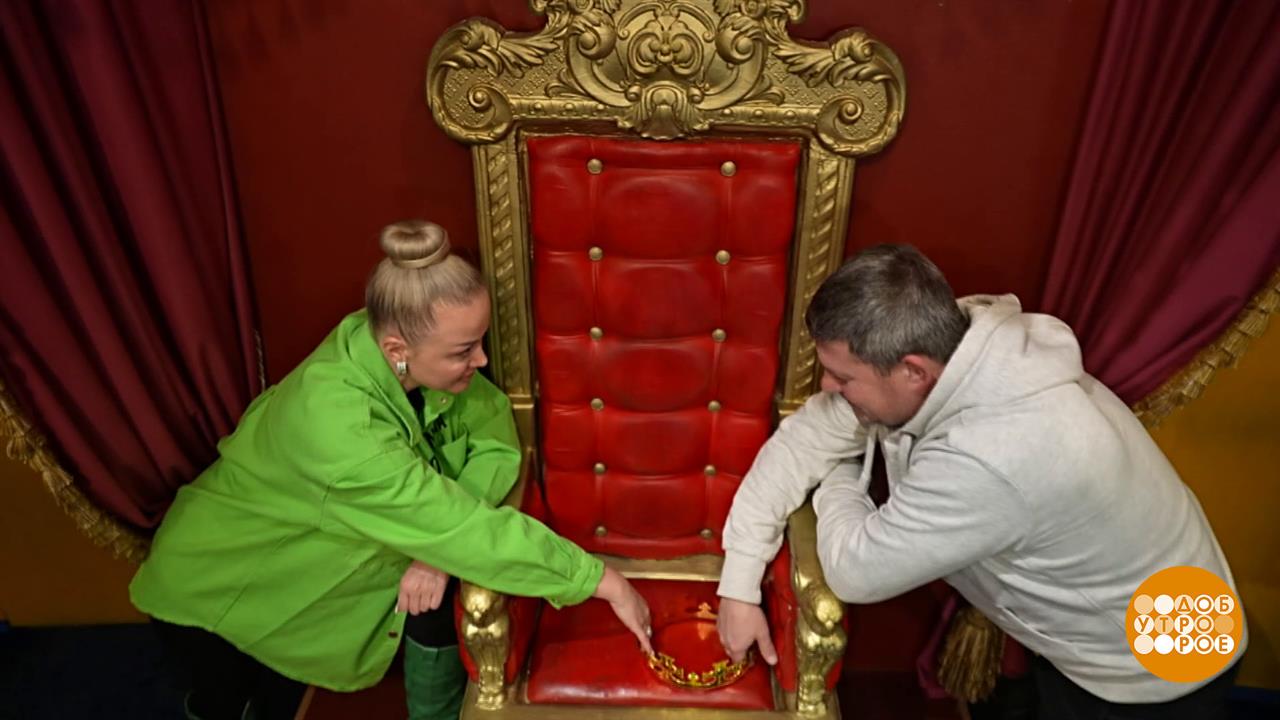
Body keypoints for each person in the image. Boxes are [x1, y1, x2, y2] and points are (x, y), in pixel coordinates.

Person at [131, 220, 653, 720]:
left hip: (313, 566)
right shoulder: (338, 428)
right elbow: (464, 529)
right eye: (463, 351)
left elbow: (495, 445)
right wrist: (601, 580)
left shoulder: (396, 348)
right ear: (397, 350)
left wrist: (437, 549)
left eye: (480, 342)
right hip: (218, 589)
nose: (481, 362)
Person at [714, 244, 1245, 718]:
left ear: (913, 371)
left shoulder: (993, 455)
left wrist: (841, 472)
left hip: (1159, 657)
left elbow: (855, 570)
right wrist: (739, 585)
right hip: (1127, 599)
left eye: (843, 377)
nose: (827, 388)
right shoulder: (953, 346)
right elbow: (801, 443)